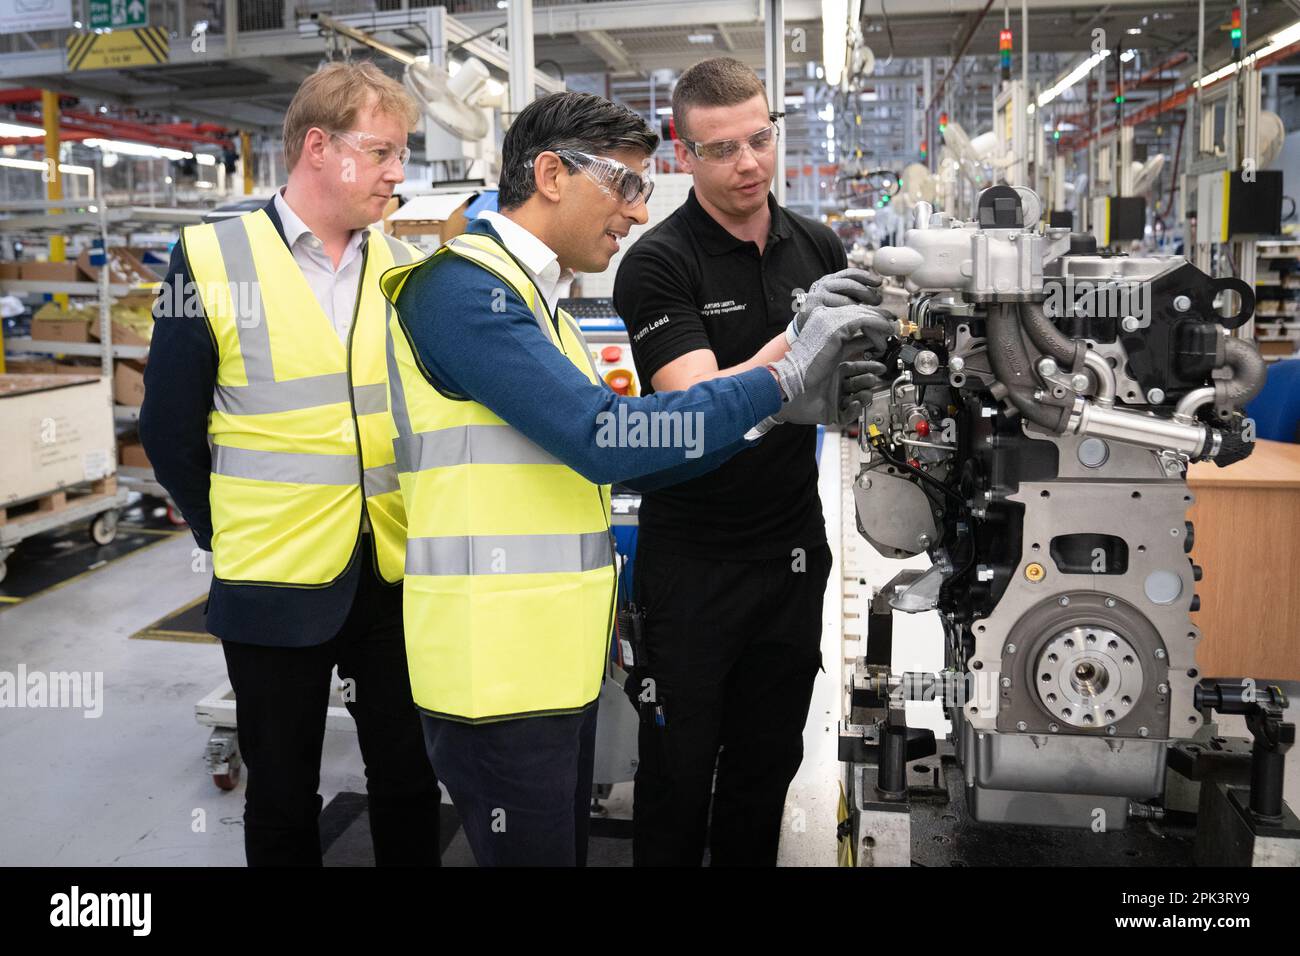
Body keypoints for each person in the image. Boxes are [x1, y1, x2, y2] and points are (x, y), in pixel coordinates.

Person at [378, 90, 890, 866]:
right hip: (495, 671)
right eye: (624, 185)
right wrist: (783, 379)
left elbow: (648, 447)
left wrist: (788, 350)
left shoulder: (530, 301)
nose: (638, 212)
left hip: (545, 660)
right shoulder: (460, 293)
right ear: (551, 174)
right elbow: (607, 440)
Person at [140, 61, 442, 867]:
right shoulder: (210, 259)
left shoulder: (401, 269)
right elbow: (166, 428)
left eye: (399, 152)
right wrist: (229, 527)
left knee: (411, 779)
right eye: (382, 151)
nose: (396, 172)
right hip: (272, 579)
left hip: (390, 569)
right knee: (281, 793)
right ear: (320, 147)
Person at [611, 56, 889, 866]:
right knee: (677, 770)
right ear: (683, 156)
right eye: (723, 148)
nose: (748, 163)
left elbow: (838, 389)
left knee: (767, 764)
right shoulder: (660, 263)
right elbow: (695, 405)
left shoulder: (817, 244)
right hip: (692, 560)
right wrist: (795, 353)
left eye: (761, 139)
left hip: (791, 552)